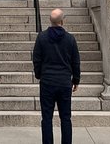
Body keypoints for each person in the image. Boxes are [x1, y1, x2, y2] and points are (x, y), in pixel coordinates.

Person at [32, 8, 81, 144]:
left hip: (47, 82)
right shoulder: (70, 39)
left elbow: (36, 59)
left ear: (50, 21)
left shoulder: (42, 37)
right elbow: (75, 61)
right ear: (62, 21)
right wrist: (76, 80)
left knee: (46, 118)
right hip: (64, 82)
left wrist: (39, 75)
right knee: (66, 118)